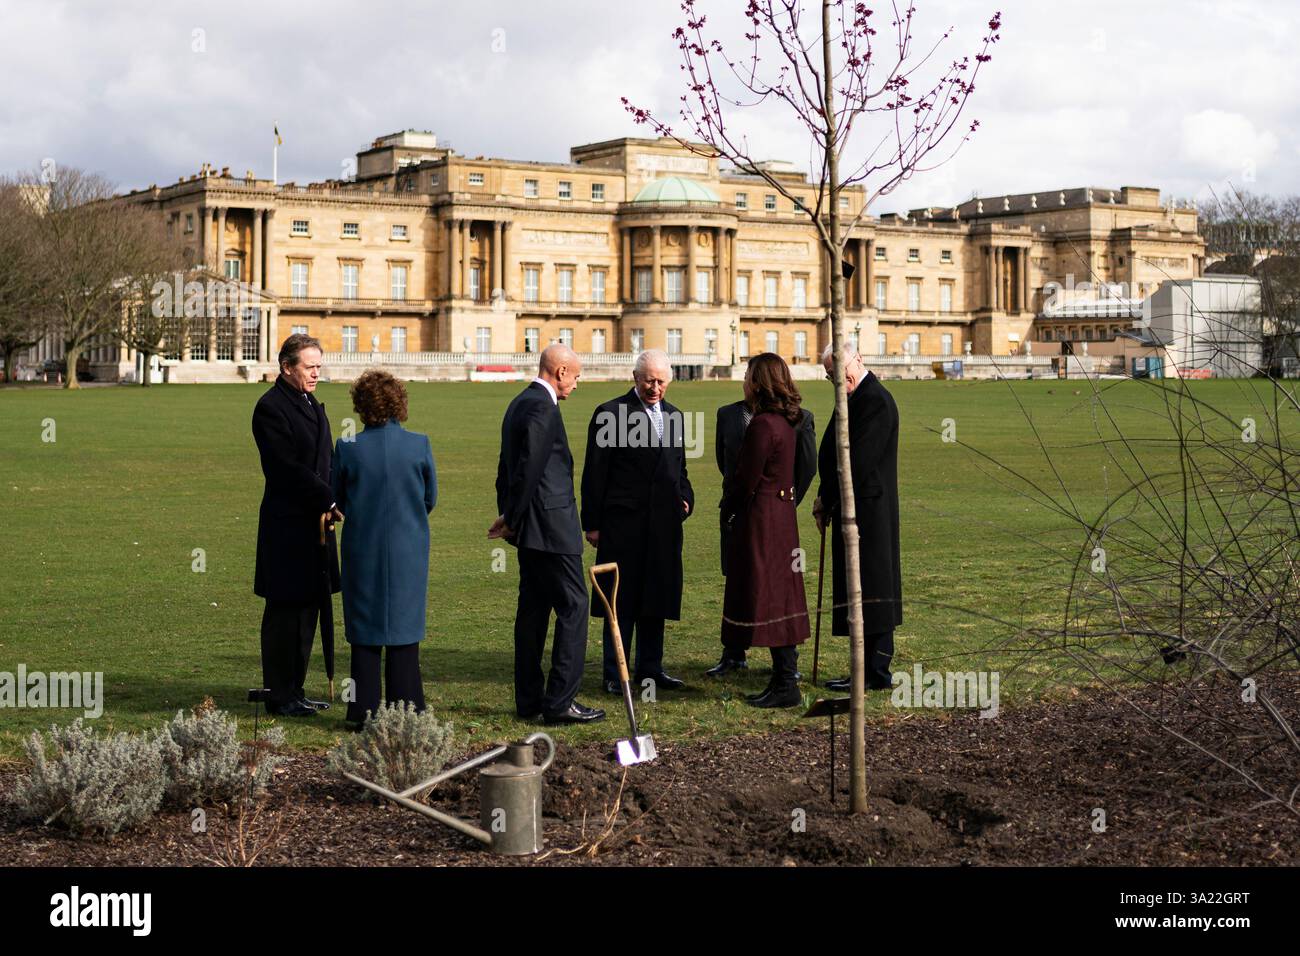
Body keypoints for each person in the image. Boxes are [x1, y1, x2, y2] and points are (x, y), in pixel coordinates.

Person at [489, 344, 605, 725]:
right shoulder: (541, 406)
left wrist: (509, 514)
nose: (577, 383)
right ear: (559, 372)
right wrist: (513, 517)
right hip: (551, 528)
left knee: (534, 611)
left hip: (531, 529)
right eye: (575, 376)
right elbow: (530, 468)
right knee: (574, 606)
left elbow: (506, 468)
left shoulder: (518, 402)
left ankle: (529, 700)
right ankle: (560, 702)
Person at [581, 349, 695, 696]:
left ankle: (651, 669)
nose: (655, 387)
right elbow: (594, 474)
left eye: (661, 381)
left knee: (656, 597)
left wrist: (687, 498)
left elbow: (680, 469)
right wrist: (593, 524)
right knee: (622, 600)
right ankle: (615, 673)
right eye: (649, 380)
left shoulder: (675, 417)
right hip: (623, 525)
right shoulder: (609, 414)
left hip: (663, 526)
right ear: (635, 378)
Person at [332, 370, 436, 726]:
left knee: (364, 628)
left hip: (363, 545)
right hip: (408, 546)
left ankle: (363, 710)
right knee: (404, 627)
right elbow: (429, 498)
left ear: (361, 407)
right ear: (399, 404)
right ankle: (408, 708)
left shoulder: (347, 448)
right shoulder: (419, 444)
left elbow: (338, 499)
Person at [251, 333, 341, 717]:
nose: (316, 373)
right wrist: (328, 498)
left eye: (319, 366)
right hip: (288, 526)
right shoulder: (270, 408)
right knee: (285, 613)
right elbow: (286, 468)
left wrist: (335, 495)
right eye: (309, 366)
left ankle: (296, 689)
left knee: (309, 609)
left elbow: (327, 459)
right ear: (287, 367)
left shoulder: (311, 404)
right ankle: (279, 694)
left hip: (317, 525)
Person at [709, 362, 817, 677]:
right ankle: (740, 654)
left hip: (760, 515)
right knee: (750, 583)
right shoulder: (774, 420)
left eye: (746, 378)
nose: (742, 382)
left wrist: (769, 500)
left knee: (769, 586)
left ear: (758, 383)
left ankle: (785, 670)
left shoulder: (767, 423)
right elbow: (725, 463)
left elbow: (796, 469)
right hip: (765, 512)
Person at [812, 344, 902, 691]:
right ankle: (864, 669)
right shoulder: (851, 398)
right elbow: (834, 454)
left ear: (859, 360)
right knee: (857, 588)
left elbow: (857, 464)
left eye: (840, 370)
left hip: (869, 511)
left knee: (873, 587)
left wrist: (827, 500)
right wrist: (825, 496)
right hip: (853, 506)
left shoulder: (875, 400)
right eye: (829, 375)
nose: (836, 379)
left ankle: (875, 672)